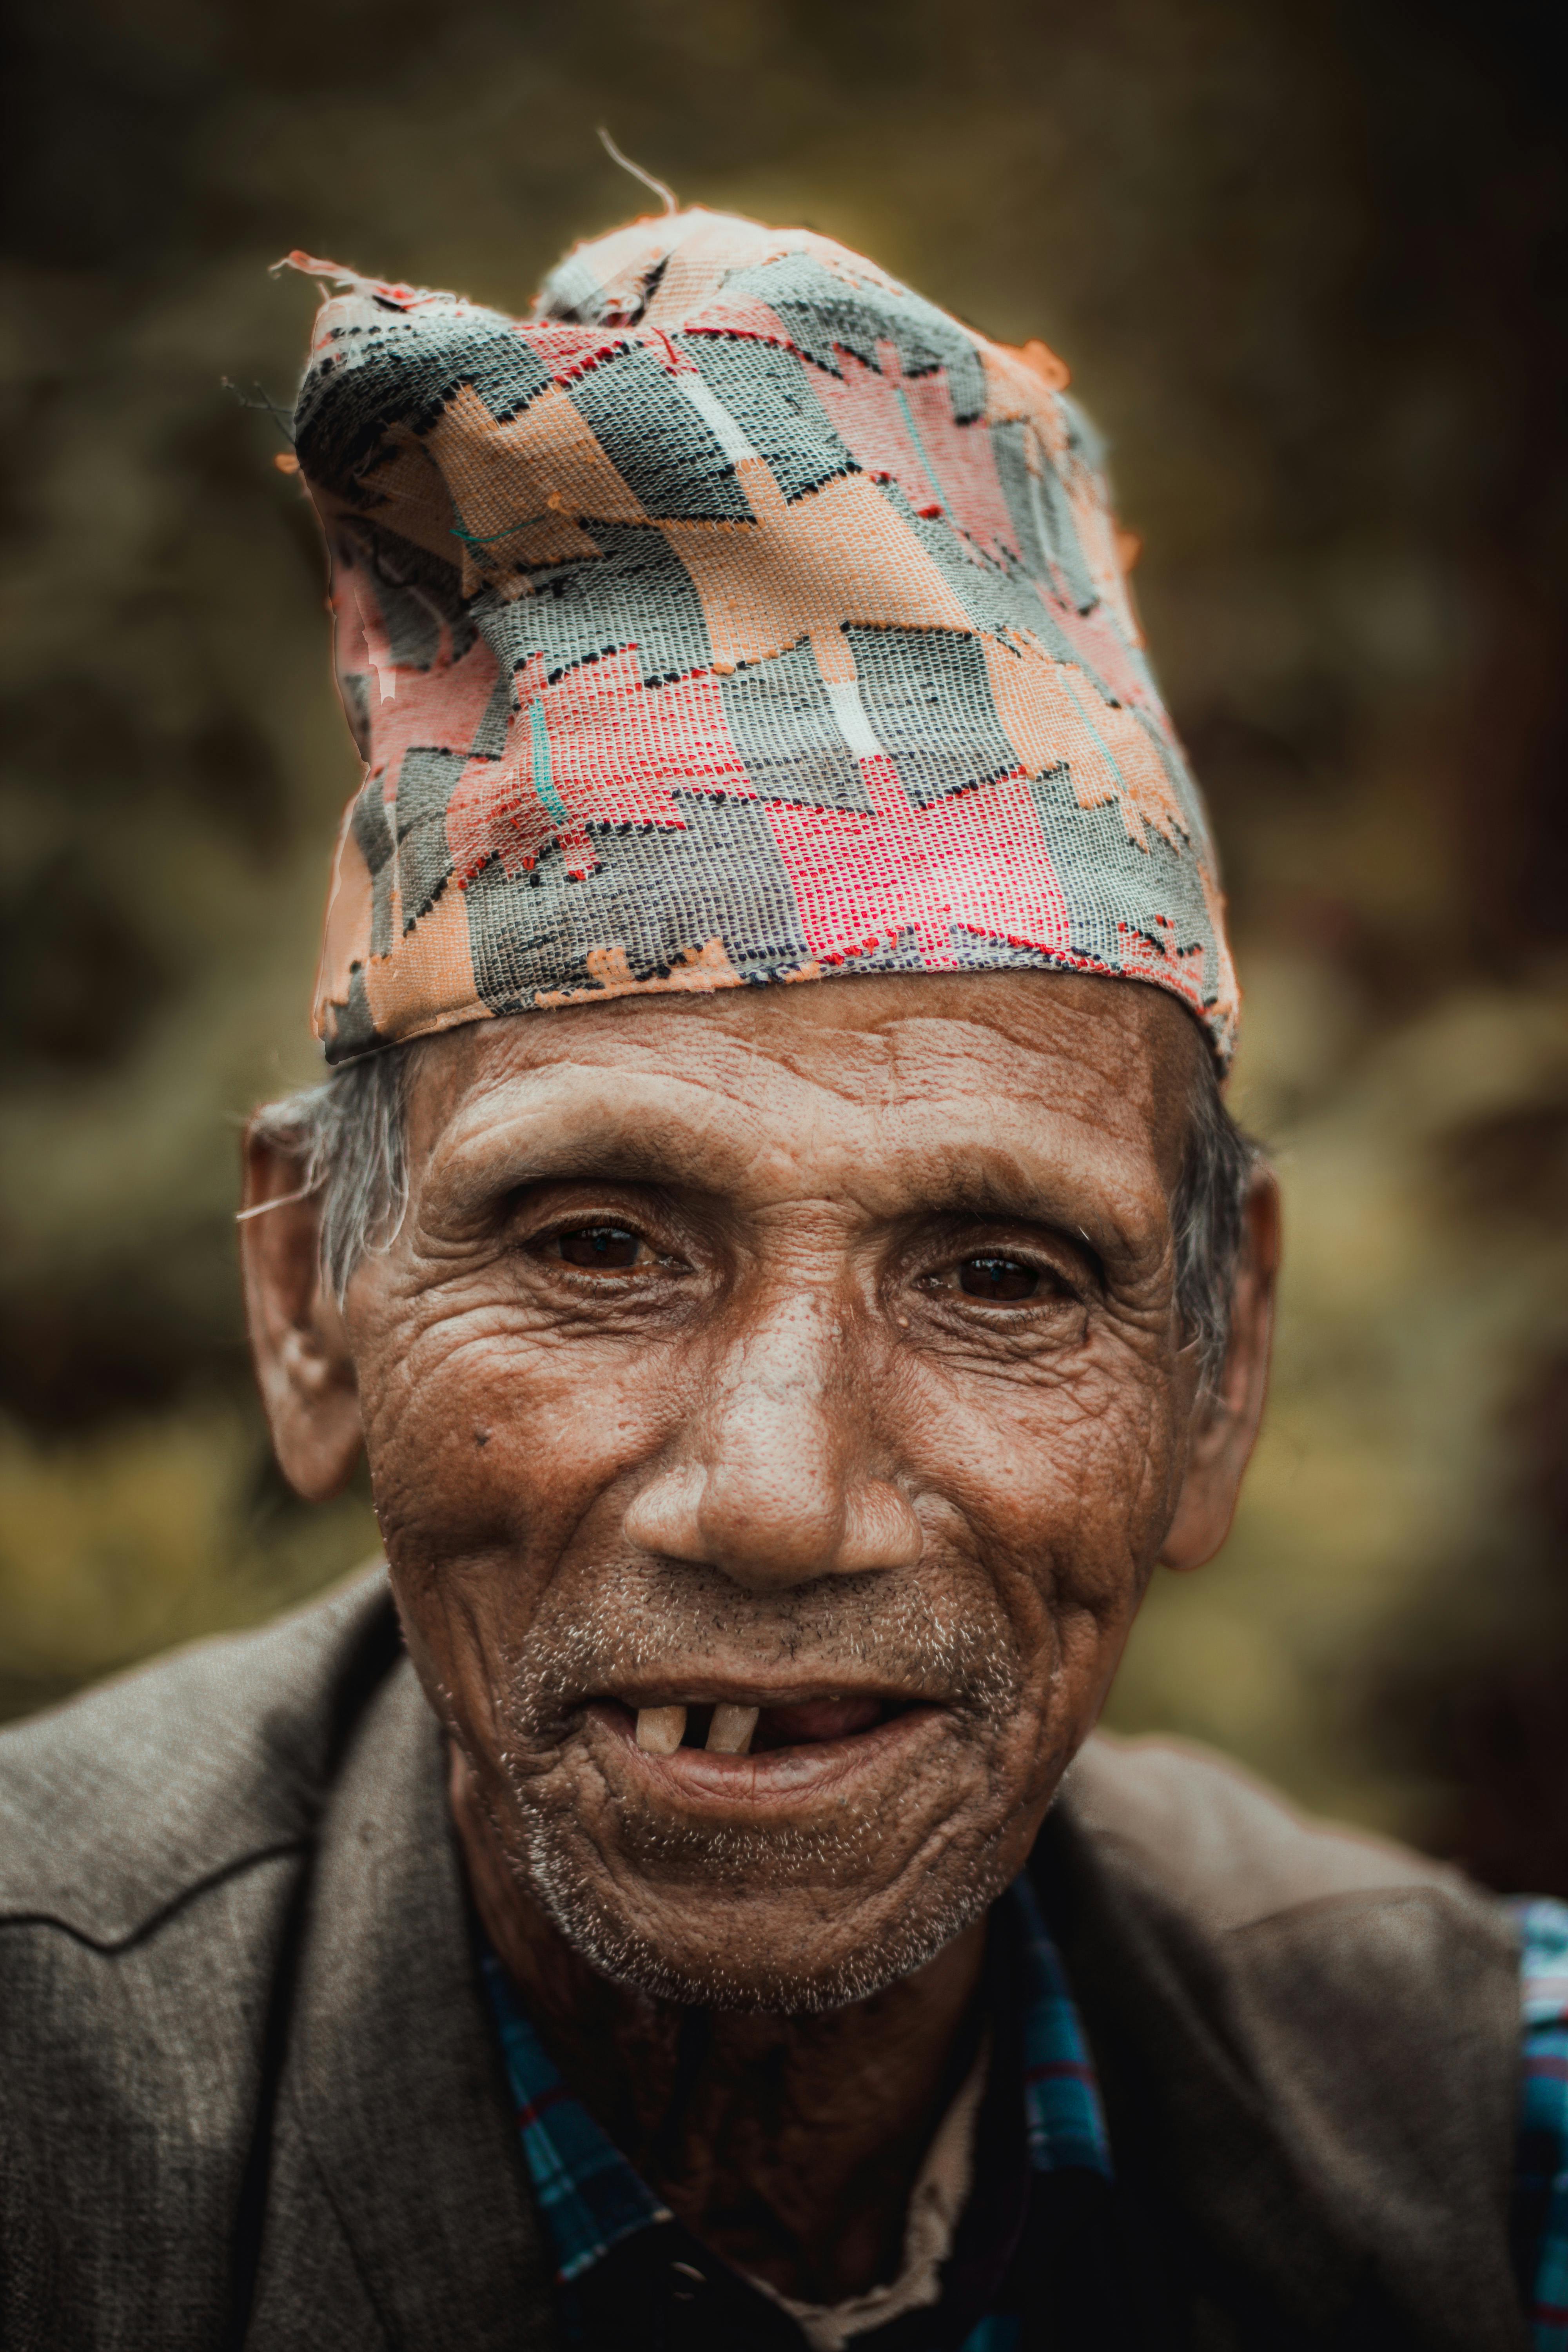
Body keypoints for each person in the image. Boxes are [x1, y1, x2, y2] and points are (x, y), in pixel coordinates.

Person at [0, 207, 1561, 2352]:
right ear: (308, 1303)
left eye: (1001, 1276)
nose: (774, 1497)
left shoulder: (1474, 2118)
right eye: (600, 1248)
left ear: (1215, 1368)